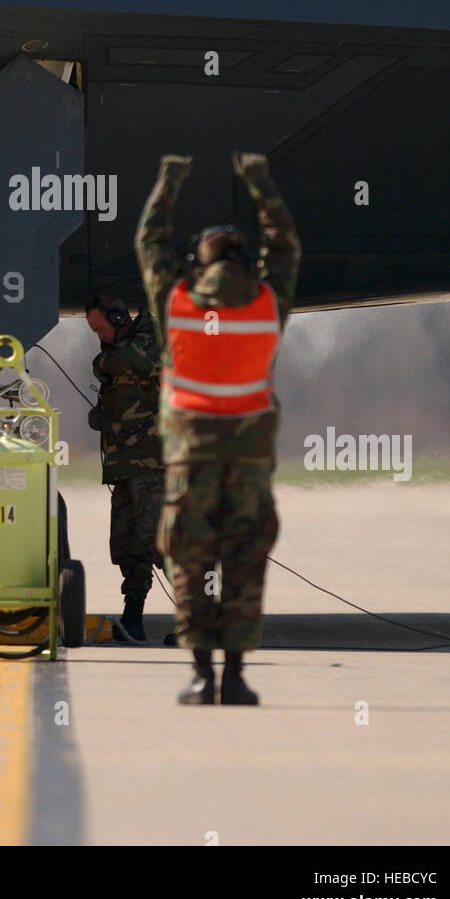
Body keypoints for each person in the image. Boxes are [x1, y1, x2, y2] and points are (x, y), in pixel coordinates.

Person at [134, 152, 301, 705]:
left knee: (190, 559)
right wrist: (259, 181)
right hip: (249, 465)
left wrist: (170, 178)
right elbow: (286, 247)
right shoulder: (264, 306)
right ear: (246, 264)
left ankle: (202, 675)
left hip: (192, 462)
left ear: (196, 266)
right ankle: (235, 676)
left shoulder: (178, 305)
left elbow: (150, 243)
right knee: (244, 562)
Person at [85, 294, 165, 644]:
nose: (100, 336)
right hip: (126, 470)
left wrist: (104, 364)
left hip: (154, 467)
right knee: (129, 547)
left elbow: (128, 361)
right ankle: (133, 619)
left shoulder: (150, 343)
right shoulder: (116, 358)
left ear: (119, 318)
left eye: (102, 328)